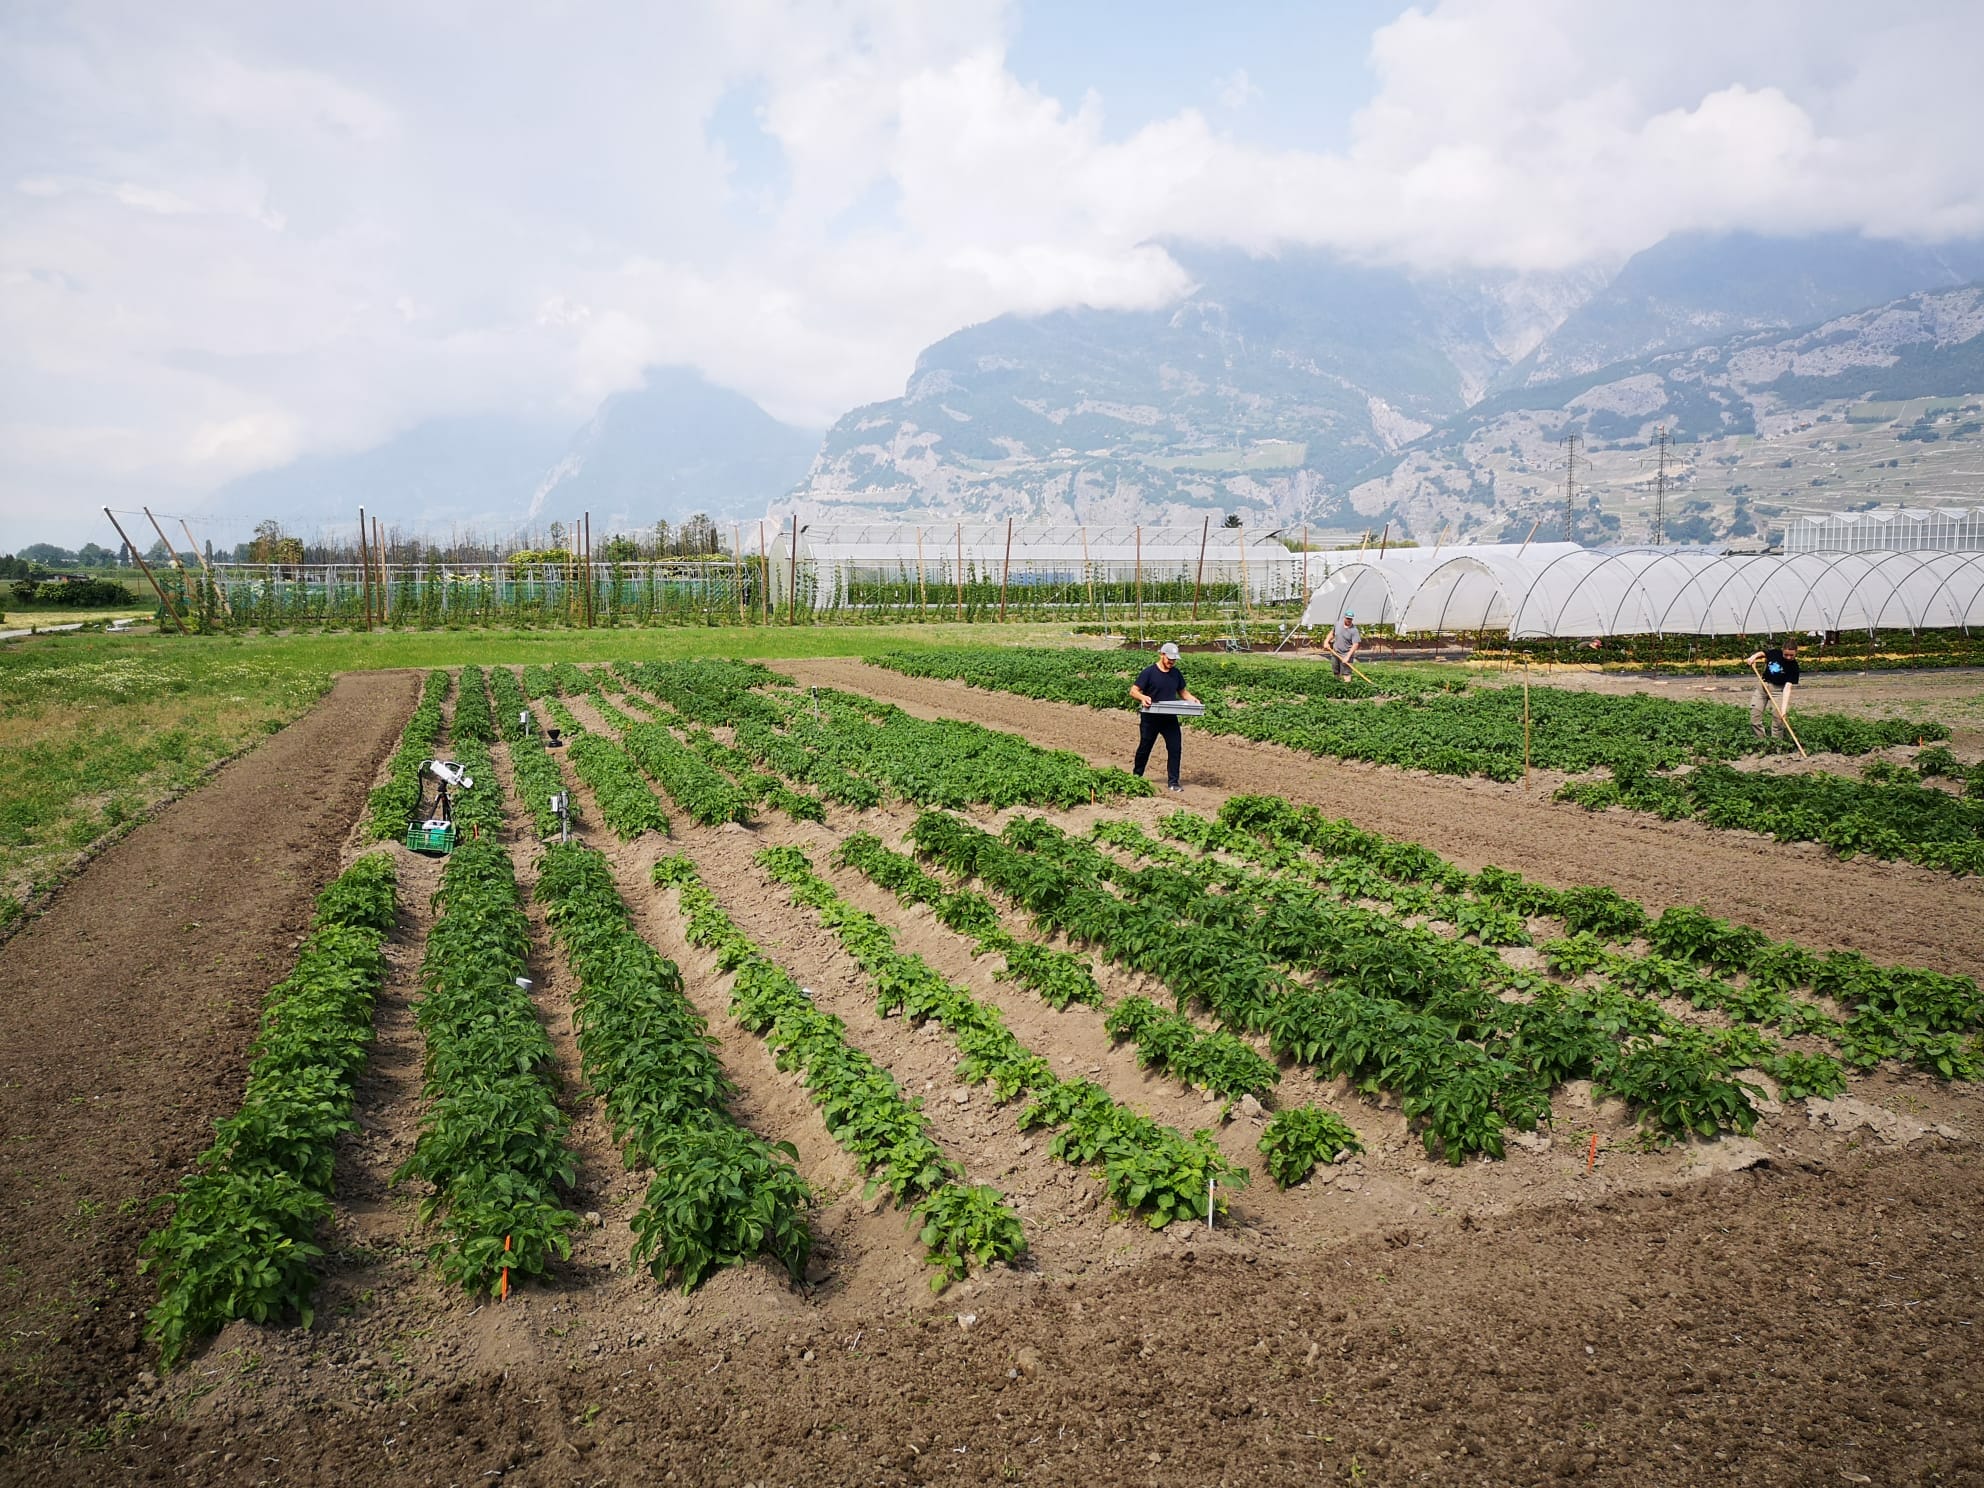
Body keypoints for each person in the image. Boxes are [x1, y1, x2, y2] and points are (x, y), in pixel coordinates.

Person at [1129, 642, 1198, 792]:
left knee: (1175, 748)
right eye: (1169, 659)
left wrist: (1193, 700)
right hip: (1150, 717)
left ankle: (1173, 782)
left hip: (1169, 718)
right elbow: (1133, 691)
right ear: (1162, 655)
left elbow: (1183, 692)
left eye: (1174, 660)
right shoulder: (1149, 672)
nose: (1171, 662)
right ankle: (1136, 776)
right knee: (1145, 748)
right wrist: (1142, 697)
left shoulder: (1176, 673)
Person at [1747, 640, 1800, 742]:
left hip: (1778, 690)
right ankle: (1762, 742)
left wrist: (1783, 710)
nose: (1789, 657)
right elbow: (1763, 653)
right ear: (1782, 651)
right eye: (1786, 654)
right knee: (1755, 717)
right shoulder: (1775, 653)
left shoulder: (1794, 667)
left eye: (1791, 655)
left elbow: (1787, 688)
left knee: (1778, 720)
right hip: (1762, 687)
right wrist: (1753, 657)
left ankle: (1777, 745)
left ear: (1796, 653)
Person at [1327, 611, 1362, 680]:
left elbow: (1355, 645)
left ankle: (1347, 688)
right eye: (1347, 618)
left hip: (1346, 654)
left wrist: (1347, 657)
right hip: (1335, 652)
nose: (1349, 620)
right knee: (1336, 672)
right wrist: (1326, 641)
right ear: (1344, 617)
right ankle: (1337, 686)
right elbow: (1332, 633)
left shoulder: (1354, 630)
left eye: (1350, 619)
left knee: (1346, 674)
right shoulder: (1338, 624)